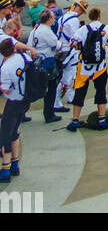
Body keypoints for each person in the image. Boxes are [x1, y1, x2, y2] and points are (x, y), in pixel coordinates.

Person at [67, 6, 108, 131]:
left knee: (79, 93)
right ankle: (102, 120)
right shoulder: (107, 28)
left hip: (84, 68)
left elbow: (72, 43)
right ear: (99, 16)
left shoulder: (83, 29)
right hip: (100, 67)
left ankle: (75, 121)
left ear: (90, 17)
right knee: (101, 91)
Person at [0, 36, 34, 182]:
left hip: (13, 101)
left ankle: (5, 169)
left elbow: (6, 90)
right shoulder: (23, 57)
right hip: (25, 100)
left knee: (5, 135)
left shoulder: (5, 68)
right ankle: (15, 163)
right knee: (14, 131)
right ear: (14, 48)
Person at [26, 10, 62, 123]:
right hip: (48, 62)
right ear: (49, 19)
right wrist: (59, 43)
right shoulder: (46, 31)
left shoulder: (35, 30)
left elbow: (29, 46)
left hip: (36, 62)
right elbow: (56, 45)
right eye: (53, 17)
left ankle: (22, 112)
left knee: (32, 87)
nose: (54, 19)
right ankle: (49, 114)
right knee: (51, 89)